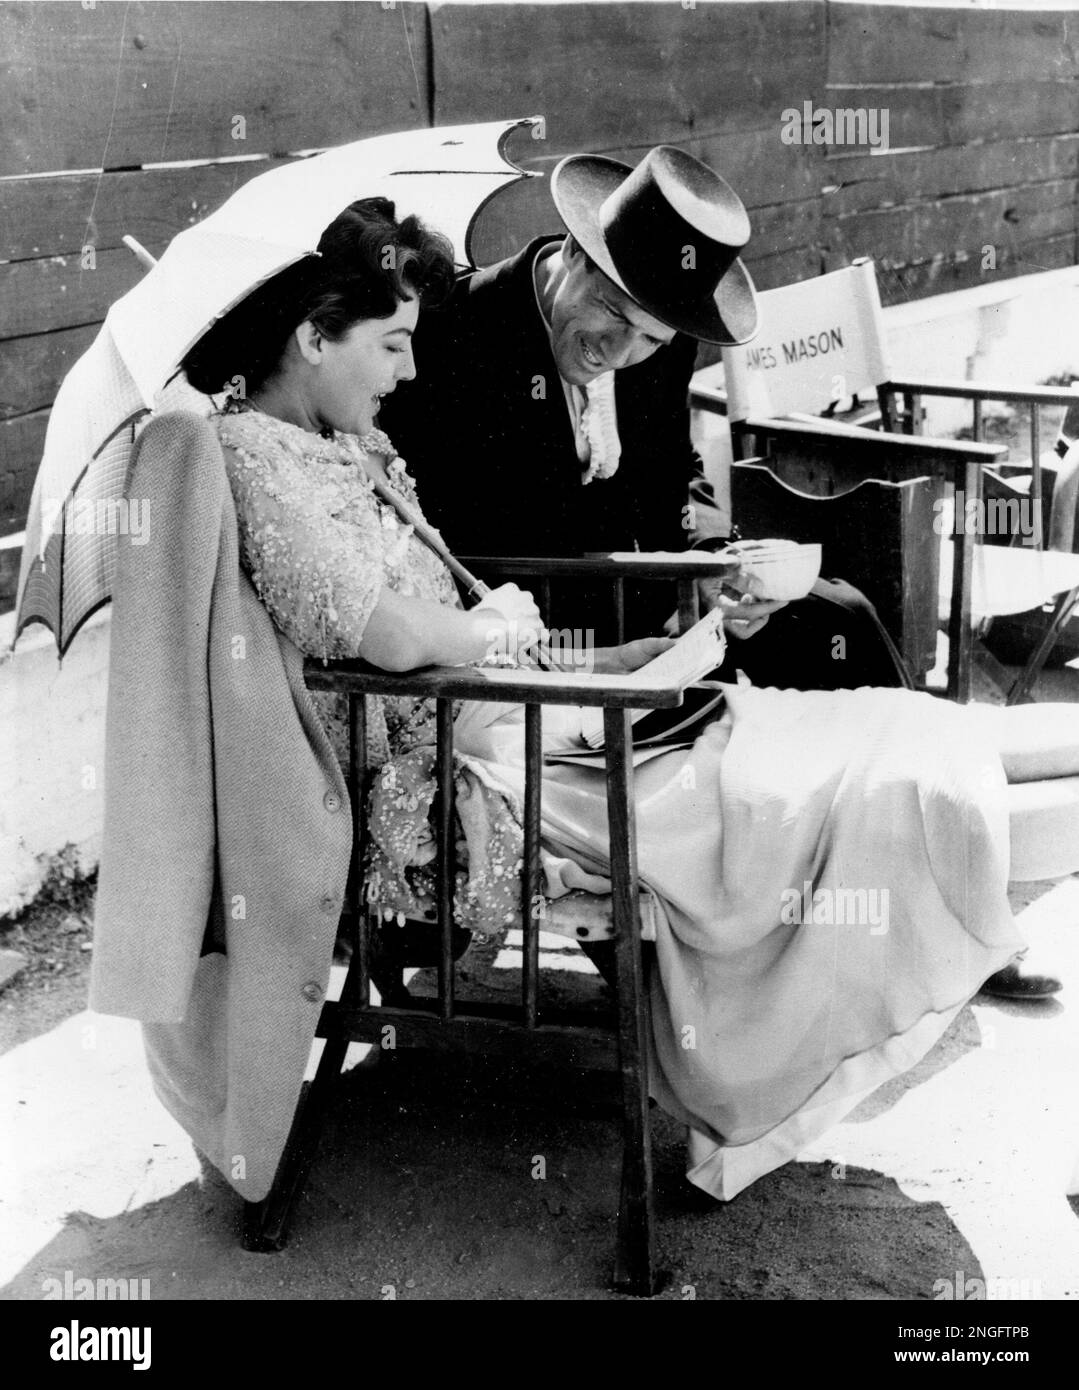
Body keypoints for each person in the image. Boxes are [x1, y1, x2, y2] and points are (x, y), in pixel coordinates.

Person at [173, 196, 1079, 1201]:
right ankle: (912, 878)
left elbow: (639, 497)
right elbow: (403, 613)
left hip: (523, 672)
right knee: (856, 768)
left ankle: (959, 831)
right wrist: (534, 637)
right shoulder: (402, 370)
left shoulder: (351, 440)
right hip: (488, 701)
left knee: (851, 642)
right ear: (569, 265)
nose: (626, 353)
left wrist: (702, 579)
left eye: (652, 338)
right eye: (390, 345)